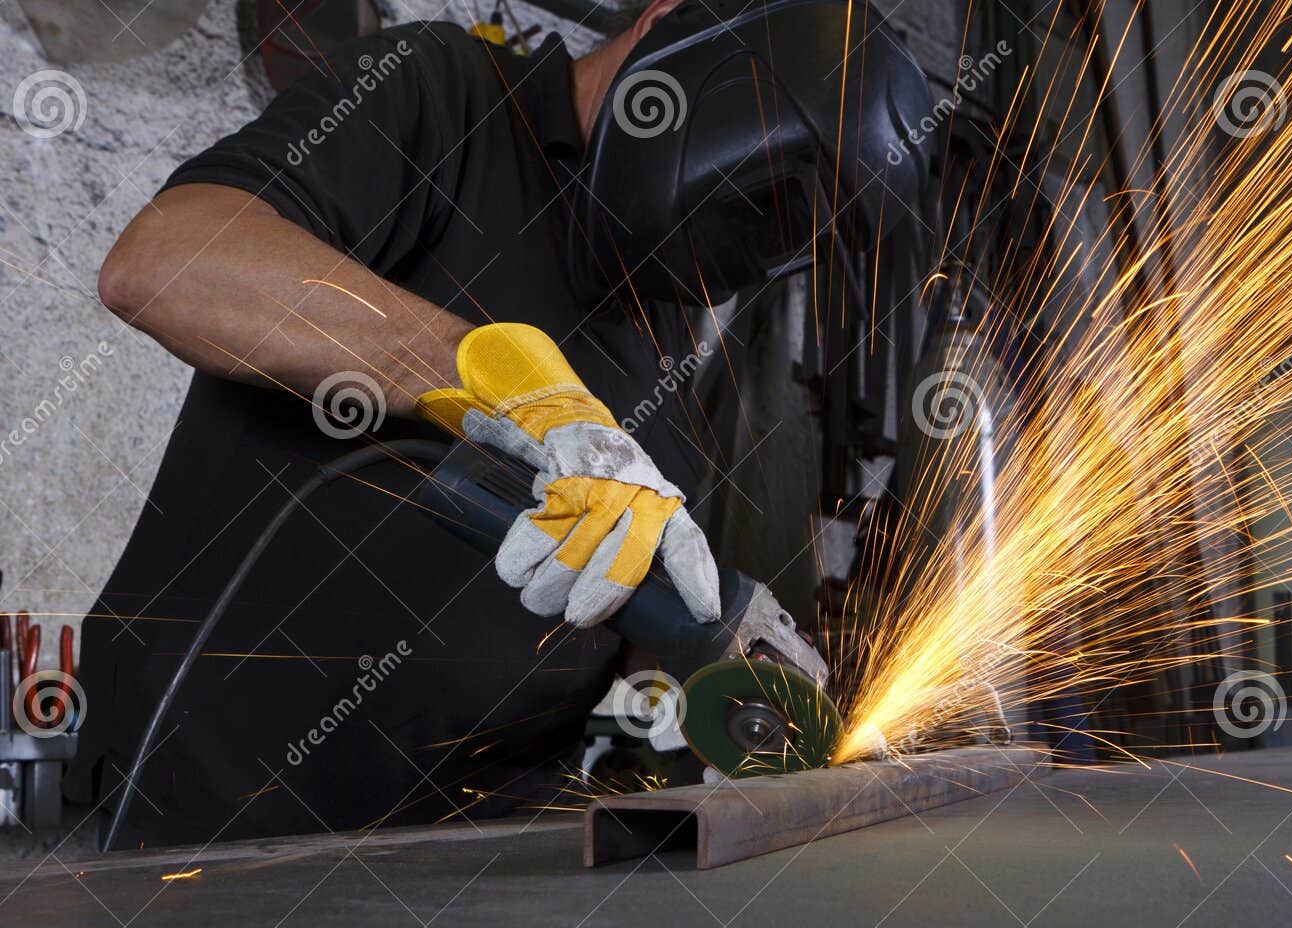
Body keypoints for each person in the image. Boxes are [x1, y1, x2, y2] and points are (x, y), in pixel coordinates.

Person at [78, 0, 932, 848]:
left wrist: (719, 691)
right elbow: (167, 262)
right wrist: (496, 383)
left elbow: (596, 595)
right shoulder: (444, 94)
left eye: (797, 230)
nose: (757, 243)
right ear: (676, 23)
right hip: (206, 826)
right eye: (767, 192)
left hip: (470, 864)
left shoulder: (666, 320)